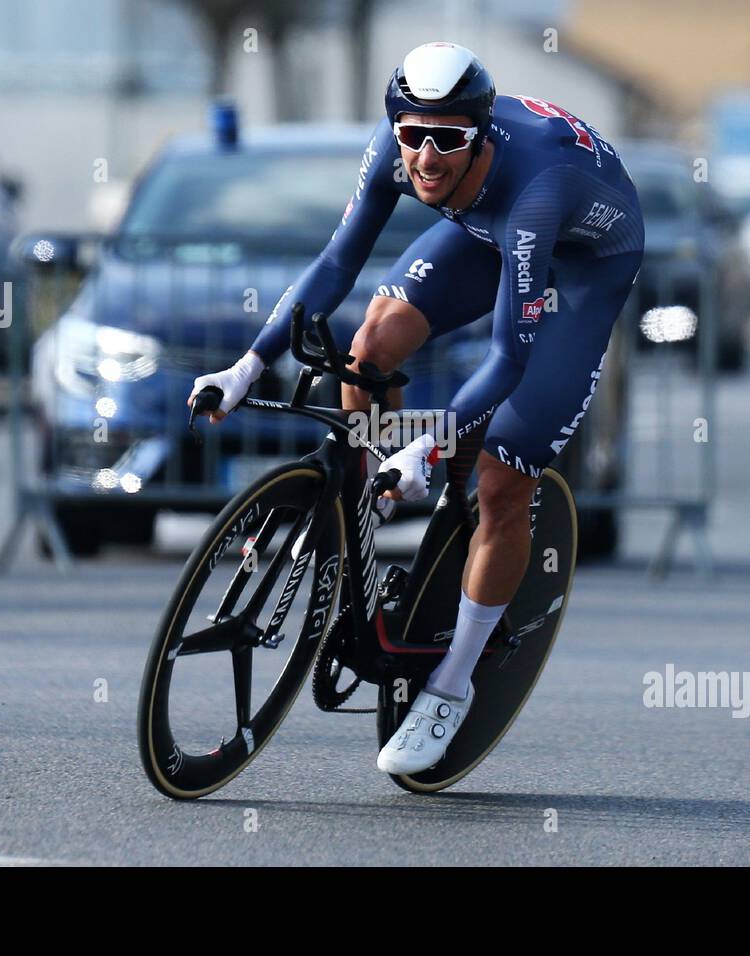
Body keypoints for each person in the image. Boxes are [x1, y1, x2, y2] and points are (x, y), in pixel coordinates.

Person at [190, 42, 644, 774]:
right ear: (396, 126)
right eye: (414, 136)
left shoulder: (533, 191)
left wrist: (427, 445)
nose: (427, 157)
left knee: (502, 480)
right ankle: (369, 520)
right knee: (371, 343)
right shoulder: (397, 147)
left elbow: (508, 358)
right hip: (484, 231)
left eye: (449, 139)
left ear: (481, 134)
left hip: (581, 259)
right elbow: (337, 262)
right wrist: (247, 364)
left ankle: (450, 684)